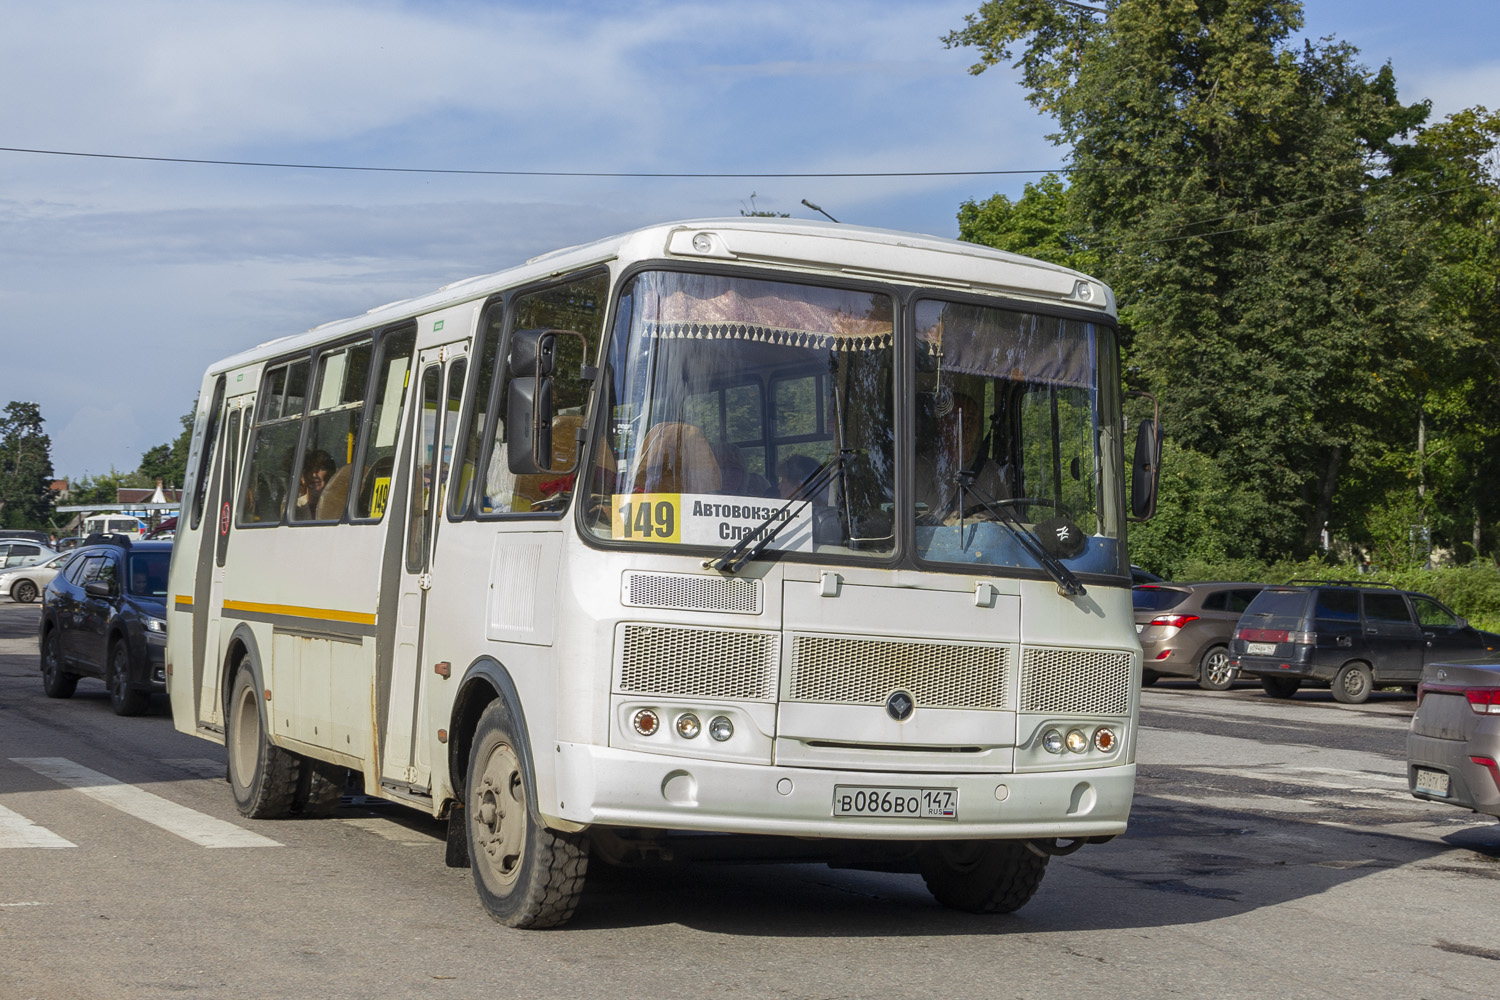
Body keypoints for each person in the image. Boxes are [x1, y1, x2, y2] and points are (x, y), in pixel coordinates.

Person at [295, 450, 337, 520]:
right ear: (303, 476)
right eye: (309, 469)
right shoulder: (294, 507)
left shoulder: (338, 505)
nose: (314, 475)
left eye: (320, 468)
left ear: (331, 474)